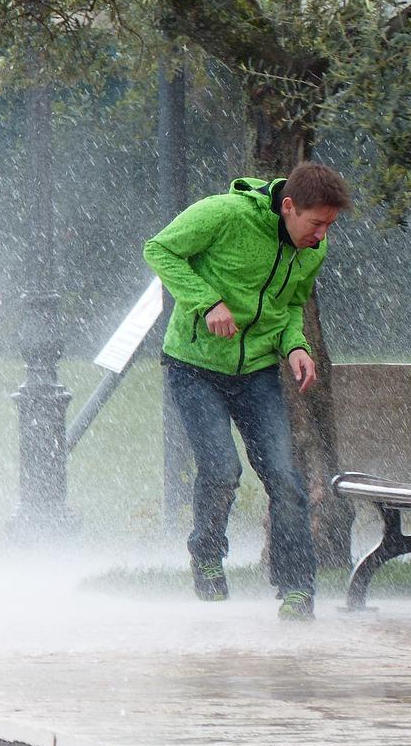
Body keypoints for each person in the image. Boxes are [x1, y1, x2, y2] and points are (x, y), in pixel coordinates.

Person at [143, 162, 351, 620]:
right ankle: (207, 555)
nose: (321, 236)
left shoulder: (311, 251)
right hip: (194, 366)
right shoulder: (225, 214)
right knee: (221, 470)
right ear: (289, 206)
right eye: (316, 224)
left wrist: (296, 347)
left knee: (287, 481)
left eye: (329, 226)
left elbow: (291, 305)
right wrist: (208, 302)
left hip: (256, 371)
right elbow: (159, 250)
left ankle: (297, 589)